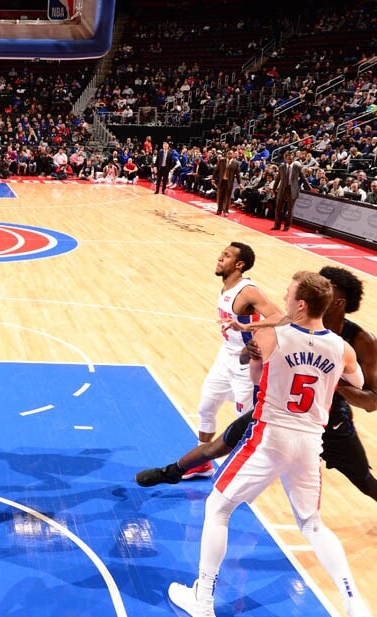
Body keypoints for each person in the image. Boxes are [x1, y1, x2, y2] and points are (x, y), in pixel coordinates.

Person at [167, 271, 370, 617]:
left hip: (271, 435)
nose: (284, 299)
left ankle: (202, 600)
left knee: (218, 507)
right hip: (310, 443)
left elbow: (257, 378)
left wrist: (255, 343)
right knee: (312, 524)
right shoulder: (343, 348)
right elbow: (357, 383)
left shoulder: (271, 334)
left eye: (289, 294)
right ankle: (354, 602)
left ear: (301, 304)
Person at [136, 266, 377, 502]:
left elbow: (371, 402)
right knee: (218, 446)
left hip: (328, 421)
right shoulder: (291, 322)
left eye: (325, 286)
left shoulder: (360, 341)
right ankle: (171, 472)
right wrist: (250, 350)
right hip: (278, 411)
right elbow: (244, 357)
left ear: (338, 302)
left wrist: (330, 379)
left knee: (364, 480)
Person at [182, 242, 285, 479]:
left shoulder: (248, 291)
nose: (219, 258)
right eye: (221, 254)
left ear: (239, 265)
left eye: (226, 256)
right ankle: (202, 462)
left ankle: (259, 466)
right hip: (225, 355)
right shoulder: (226, 287)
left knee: (248, 422)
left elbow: (281, 318)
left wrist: (249, 327)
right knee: (206, 407)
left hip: (246, 363)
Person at [272, 150, 310, 231]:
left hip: (292, 189)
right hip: (282, 189)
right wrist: (274, 189)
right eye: (289, 159)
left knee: (290, 209)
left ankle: (287, 226)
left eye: (291, 159)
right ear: (286, 159)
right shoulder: (281, 167)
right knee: (278, 208)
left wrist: (310, 188)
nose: (290, 160)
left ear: (293, 159)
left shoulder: (297, 167)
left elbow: (303, 178)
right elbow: (278, 179)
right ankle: (277, 225)